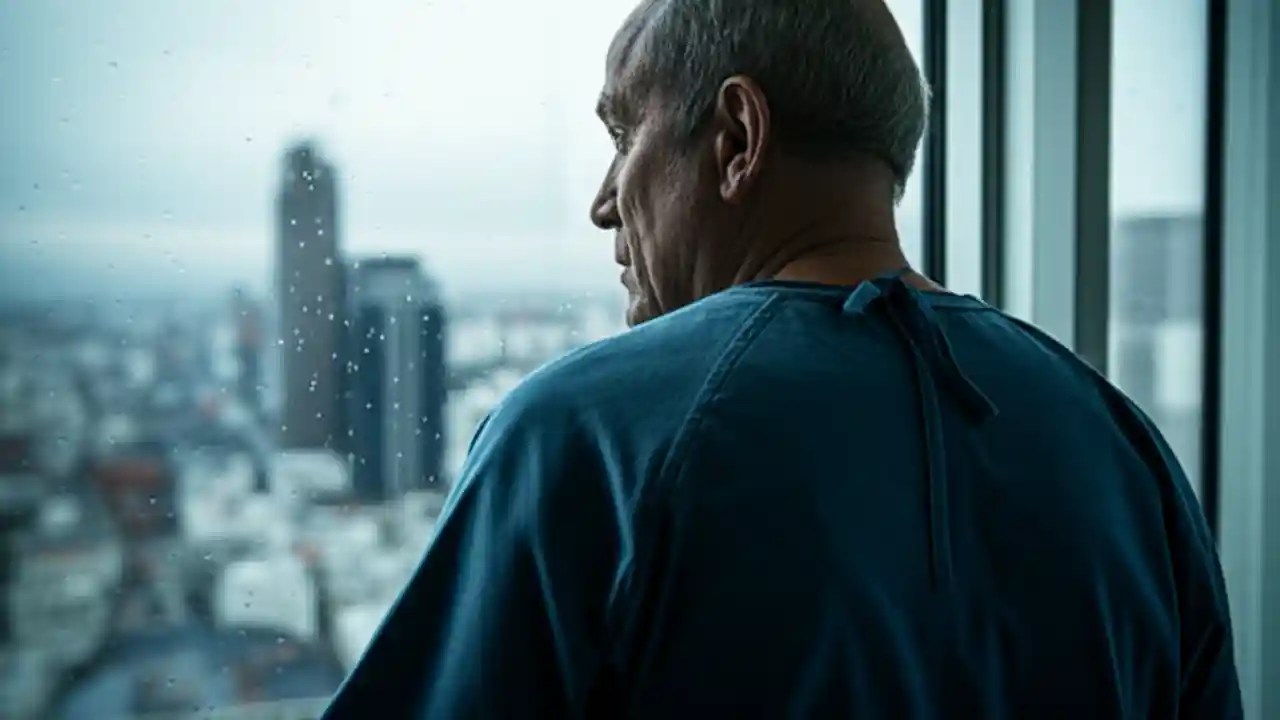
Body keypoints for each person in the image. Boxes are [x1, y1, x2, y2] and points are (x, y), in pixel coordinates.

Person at [322, 0, 1241, 717]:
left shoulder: (587, 439)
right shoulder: (1123, 447)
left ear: (737, 140)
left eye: (621, 137)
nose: (605, 203)